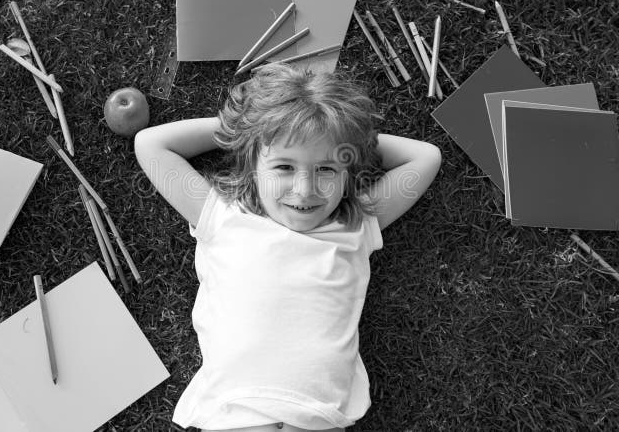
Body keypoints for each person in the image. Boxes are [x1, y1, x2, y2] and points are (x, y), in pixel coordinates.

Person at [135, 63, 441, 432]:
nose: (305, 190)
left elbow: (425, 158)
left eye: (326, 169)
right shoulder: (222, 216)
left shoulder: (354, 227)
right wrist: (250, 128)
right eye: (283, 166)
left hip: (320, 416)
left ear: (347, 173)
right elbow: (152, 145)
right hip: (236, 411)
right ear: (252, 164)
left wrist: (345, 133)